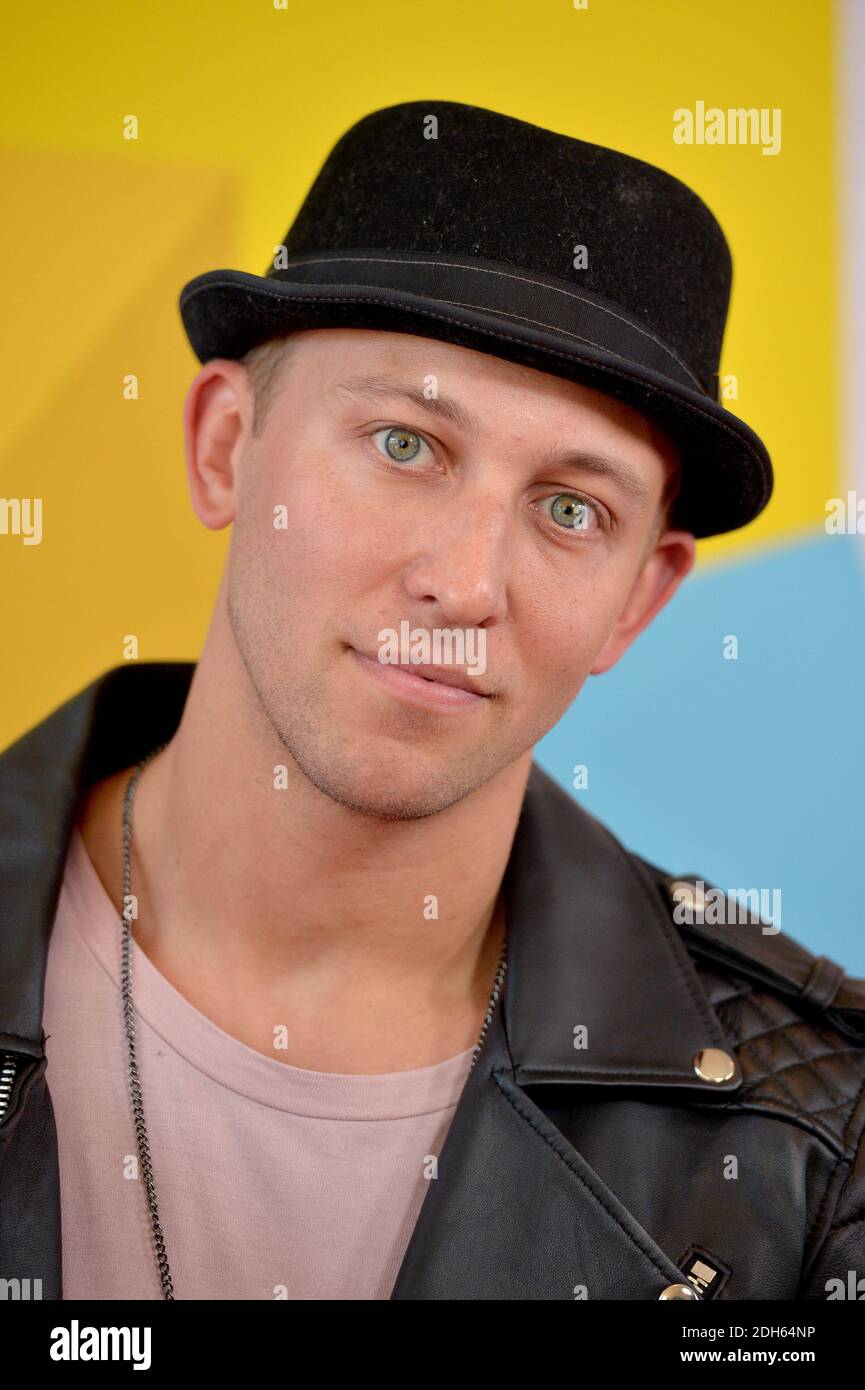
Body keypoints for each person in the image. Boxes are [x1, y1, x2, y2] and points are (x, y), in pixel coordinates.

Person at [1, 100, 863, 1303]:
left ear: (637, 602)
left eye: (571, 509)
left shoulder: (820, 1141)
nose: (462, 582)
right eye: (405, 444)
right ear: (225, 447)